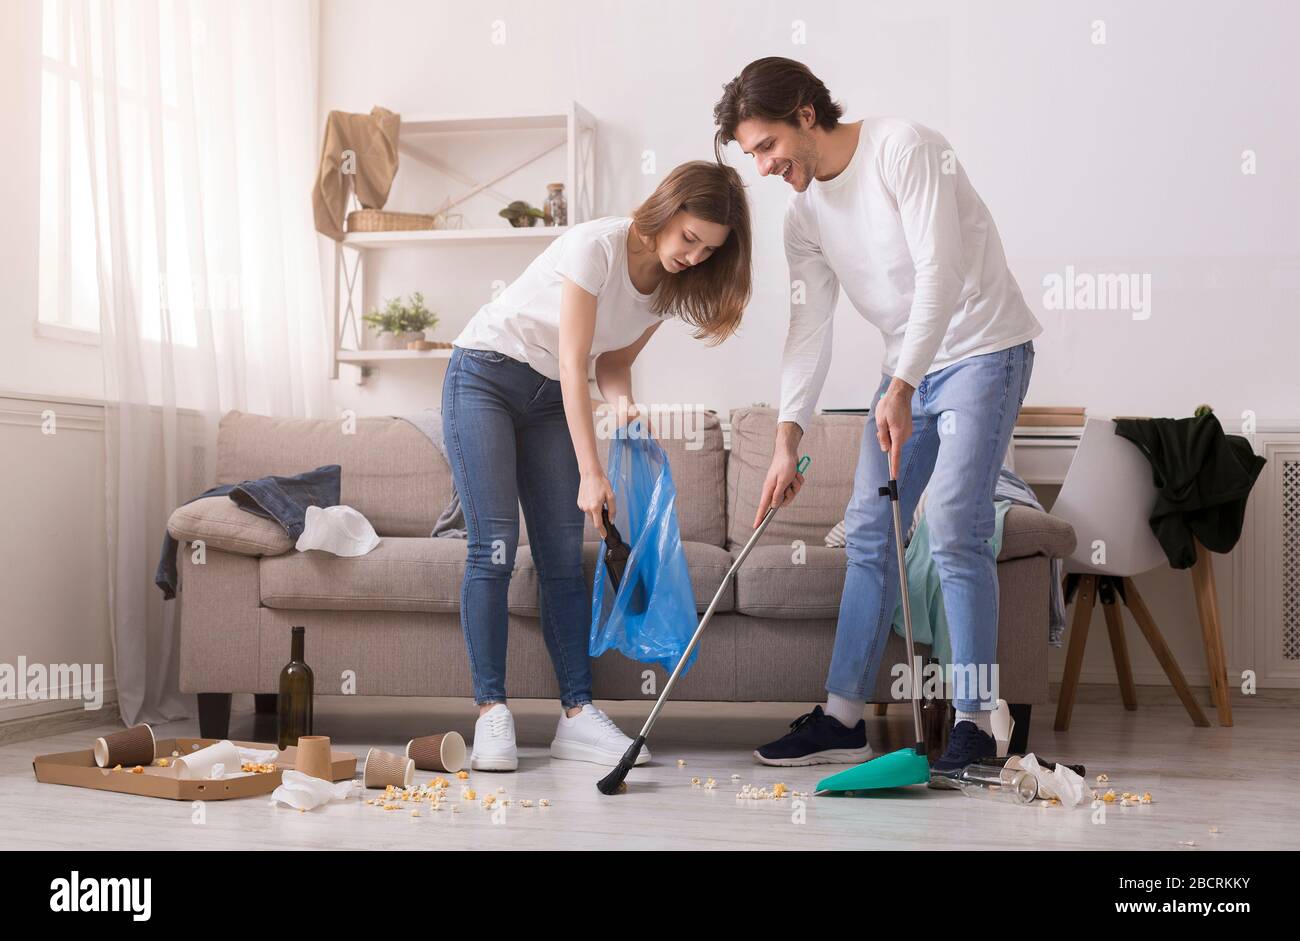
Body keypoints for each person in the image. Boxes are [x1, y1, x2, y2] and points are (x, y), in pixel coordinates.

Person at [713, 57, 1041, 771]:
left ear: (806, 114)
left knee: (954, 525)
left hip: (983, 348)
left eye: (766, 145)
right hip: (910, 368)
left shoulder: (904, 148)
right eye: (751, 155)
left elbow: (941, 274)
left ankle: (980, 721)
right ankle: (842, 719)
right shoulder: (804, 219)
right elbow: (809, 330)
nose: (763, 167)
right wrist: (785, 439)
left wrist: (902, 385)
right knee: (869, 530)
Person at [443, 160, 752, 770]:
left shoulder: (670, 286)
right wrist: (592, 471)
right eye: (688, 238)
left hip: (550, 399)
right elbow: (572, 359)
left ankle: (577, 716)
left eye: (708, 250)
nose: (693, 257)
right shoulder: (595, 247)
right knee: (494, 547)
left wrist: (625, 406)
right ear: (663, 213)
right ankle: (491, 714)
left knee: (563, 558)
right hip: (485, 375)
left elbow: (608, 364)